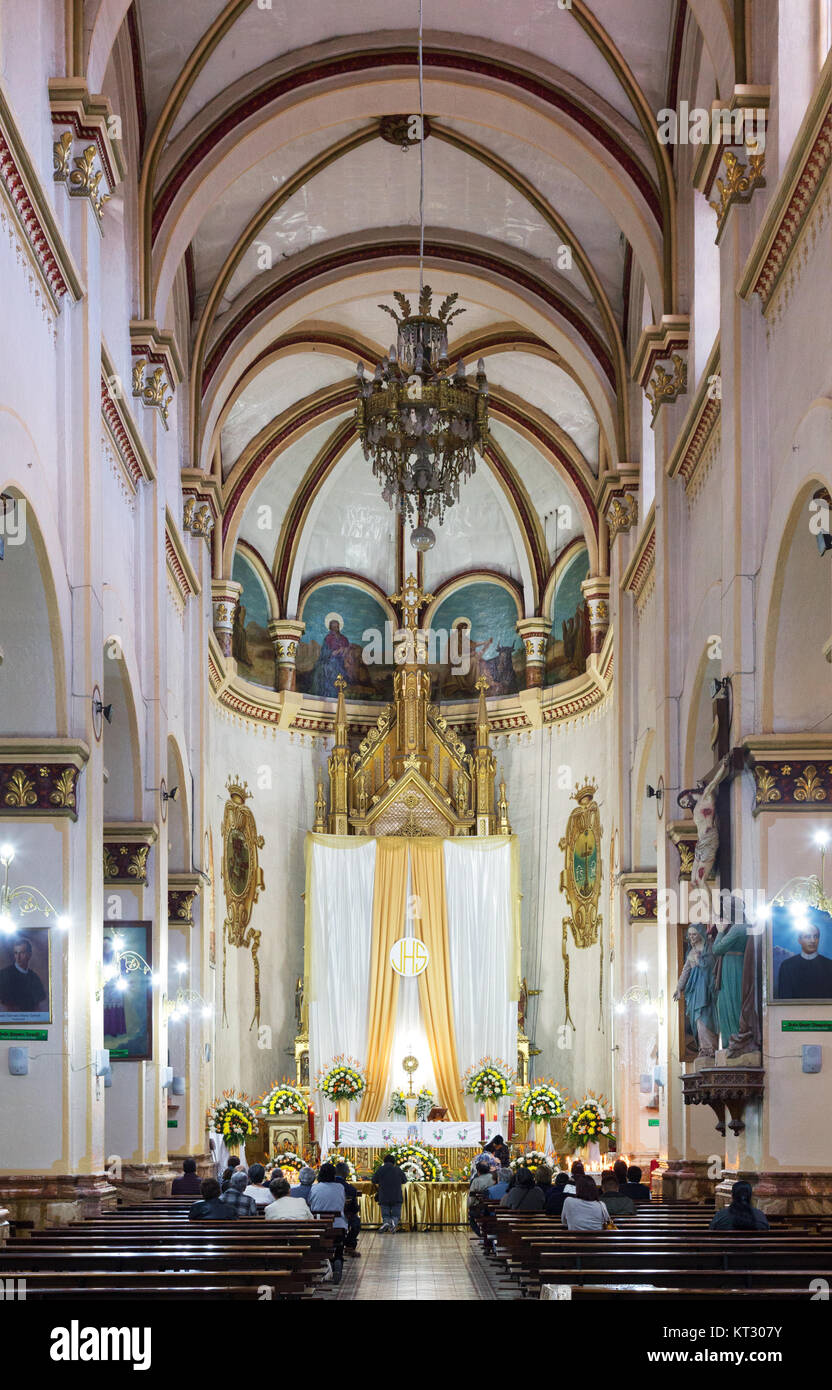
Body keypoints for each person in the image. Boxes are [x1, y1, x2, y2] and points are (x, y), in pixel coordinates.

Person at [308, 1162, 347, 1283]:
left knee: (322, 1239)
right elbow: (343, 1203)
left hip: (320, 1226)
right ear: (334, 1175)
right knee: (339, 1237)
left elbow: (310, 1202)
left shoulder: (314, 1188)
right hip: (338, 1225)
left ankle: (326, 1262)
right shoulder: (340, 1187)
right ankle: (338, 1258)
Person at [776, 919, 832, 999]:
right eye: (808, 937)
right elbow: (784, 999)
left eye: (815, 936)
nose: (812, 941)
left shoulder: (829, 966)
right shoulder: (787, 966)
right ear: (799, 940)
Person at [0, 936, 47, 1014]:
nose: (18, 957)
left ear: (29, 954)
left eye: (22, 953)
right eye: (16, 953)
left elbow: (40, 1006)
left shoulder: (34, 977)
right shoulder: (3, 974)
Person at [371, 1153, 408, 1233]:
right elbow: (405, 1180)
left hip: (384, 1196)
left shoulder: (381, 1169)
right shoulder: (397, 1169)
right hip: (396, 1196)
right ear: (394, 1162)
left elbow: (373, 1180)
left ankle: (386, 1222)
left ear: (384, 1161)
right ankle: (394, 1222)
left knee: (385, 1214)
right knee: (396, 1214)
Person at [334, 1161, 361, 1258]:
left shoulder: (323, 1185)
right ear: (345, 1173)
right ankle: (349, 1246)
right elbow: (353, 1208)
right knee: (356, 1223)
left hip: (322, 1216)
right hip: (343, 1216)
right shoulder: (349, 1188)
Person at [467, 1160, 496, 1234]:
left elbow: (471, 1197)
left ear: (478, 1171)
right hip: (495, 1207)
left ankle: (482, 1234)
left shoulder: (476, 1181)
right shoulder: (494, 1178)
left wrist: (468, 1206)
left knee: (471, 1216)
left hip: (481, 1209)